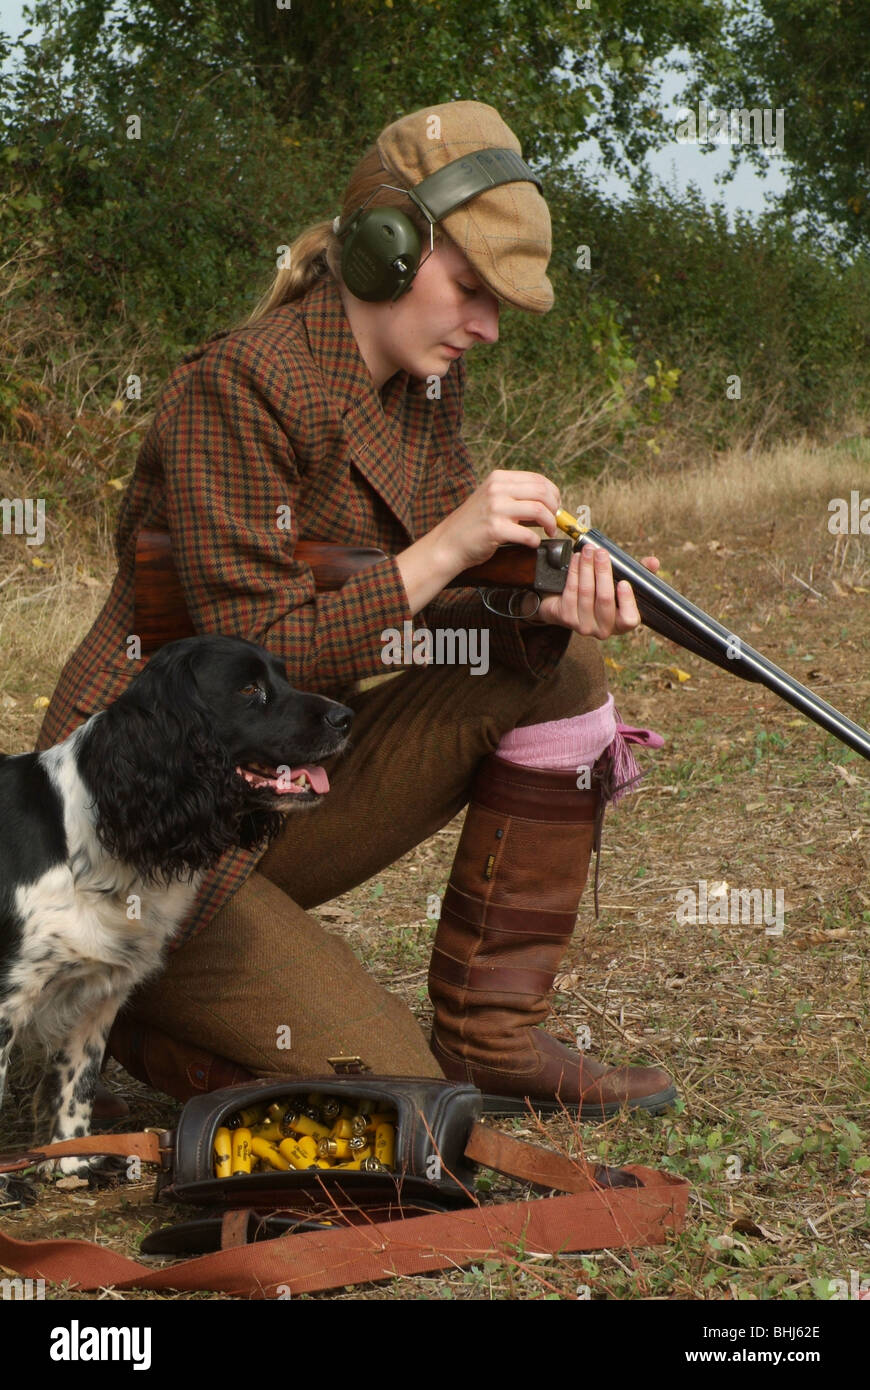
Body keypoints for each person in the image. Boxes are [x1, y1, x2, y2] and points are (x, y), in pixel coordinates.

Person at [36, 101, 676, 1117]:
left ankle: (494, 1034)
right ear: (384, 249)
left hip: (265, 794)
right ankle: (137, 1011)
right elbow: (267, 647)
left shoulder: (419, 396)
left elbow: (448, 615)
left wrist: (540, 607)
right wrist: (454, 541)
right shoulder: (236, 388)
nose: (487, 326)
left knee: (557, 669)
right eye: (469, 289)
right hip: (143, 835)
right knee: (408, 1102)